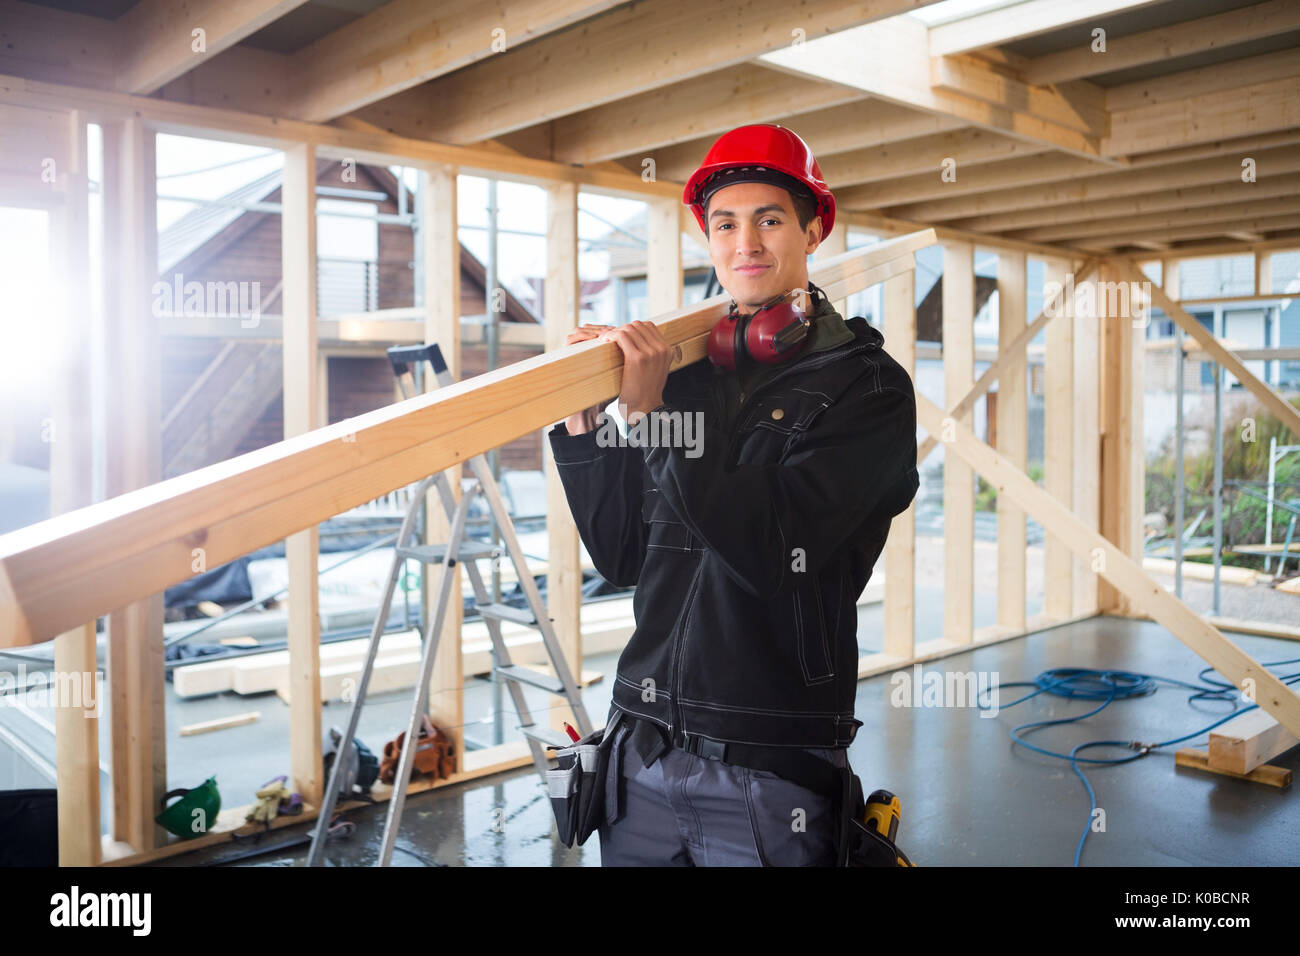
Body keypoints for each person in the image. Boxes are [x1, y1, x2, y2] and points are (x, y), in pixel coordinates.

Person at [547, 124, 919, 865]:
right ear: (709, 241)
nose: (744, 241)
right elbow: (624, 557)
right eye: (725, 223)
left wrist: (652, 418)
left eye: (769, 219)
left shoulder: (868, 389)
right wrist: (583, 428)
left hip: (769, 766)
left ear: (814, 229)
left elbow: (778, 551)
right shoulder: (685, 378)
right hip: (638, 750)